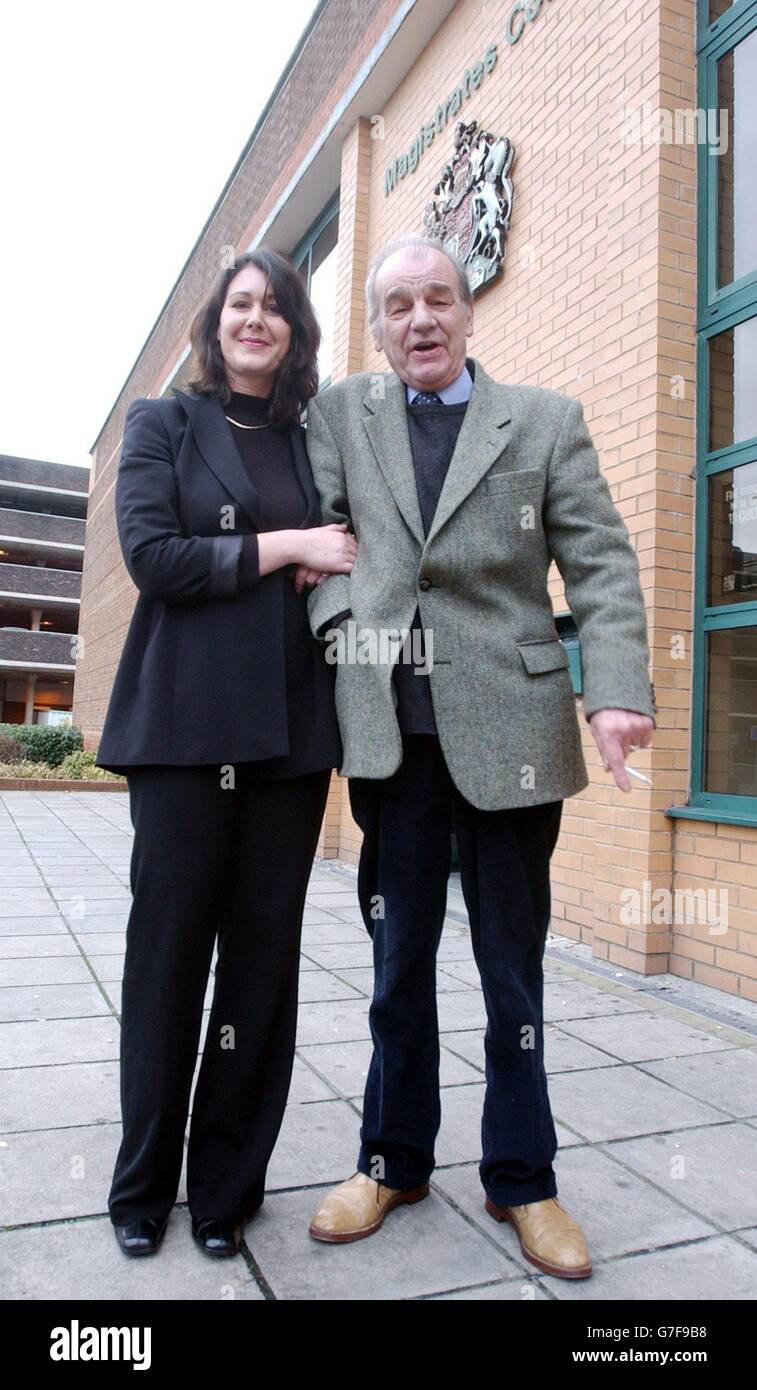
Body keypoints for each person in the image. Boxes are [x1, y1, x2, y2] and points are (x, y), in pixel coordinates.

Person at [303, 233, 657, 1279]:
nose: (421, 320)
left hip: (514, 732)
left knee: (512, 970)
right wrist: (345, 632)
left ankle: (524, 1178)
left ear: (467, 313)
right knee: (396, 962)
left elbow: (597, 557)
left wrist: (617, 692)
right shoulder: (341, 418)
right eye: (399, 304)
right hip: (390, 739)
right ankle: (391, 1157)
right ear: (375, 325)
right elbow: (321, 543)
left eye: (439, 301)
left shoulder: (542, 420)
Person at [96, 248, 356, 1259]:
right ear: (217, 323)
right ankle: (140, 1183)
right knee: (166, 962)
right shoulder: (164, 423)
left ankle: (223, 1191)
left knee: (259, 969)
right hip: (183, 733)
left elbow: (355, 540)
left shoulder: (310, 434)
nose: (257, 318)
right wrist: (288, 550)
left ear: (295, 327)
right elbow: (155, 557)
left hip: (290, 739)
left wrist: (328, 558)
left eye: (275, 306)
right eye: (240, 303)